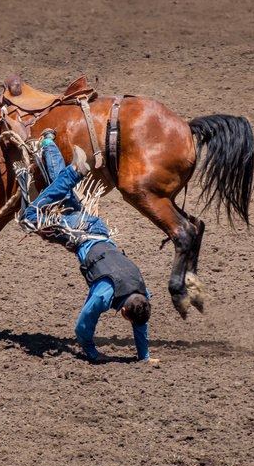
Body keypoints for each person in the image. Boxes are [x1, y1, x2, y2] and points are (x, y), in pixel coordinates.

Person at [19, 129, 158, 363]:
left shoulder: (141, 291)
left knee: (61, 191)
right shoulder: (105, 295)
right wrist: (93, 353)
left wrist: (144, 356)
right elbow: (82, 327)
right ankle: (75, 171)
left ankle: (48, 143)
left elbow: (141, 319)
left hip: (98, 229)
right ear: (123, 312)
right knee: (30, 218)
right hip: (79, 232)